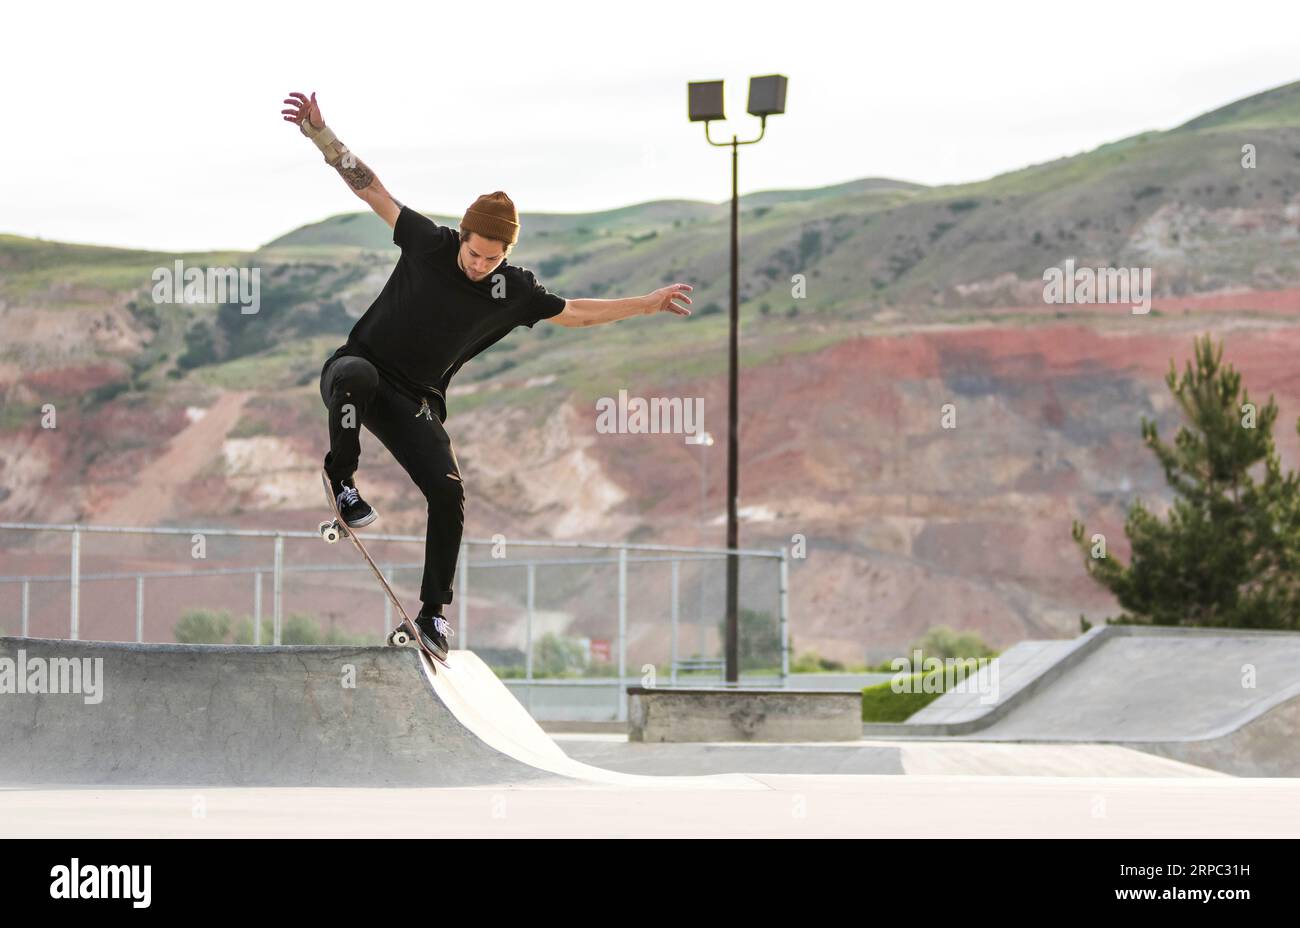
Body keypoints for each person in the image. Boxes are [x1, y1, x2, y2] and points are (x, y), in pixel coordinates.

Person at [281, 90, 694, 658]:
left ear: (505, 254)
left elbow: (575, 313)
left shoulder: (513, 290)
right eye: (474, 254)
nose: (479, 267)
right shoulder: (429, 243)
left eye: (491, 260)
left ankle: (432, 615)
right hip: (359, 374)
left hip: (415, 400)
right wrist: (322, 138)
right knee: (354, 374)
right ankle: (343, 480)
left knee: (449, 495)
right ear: (463, 235)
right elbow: (370, 187)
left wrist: (646, 305)